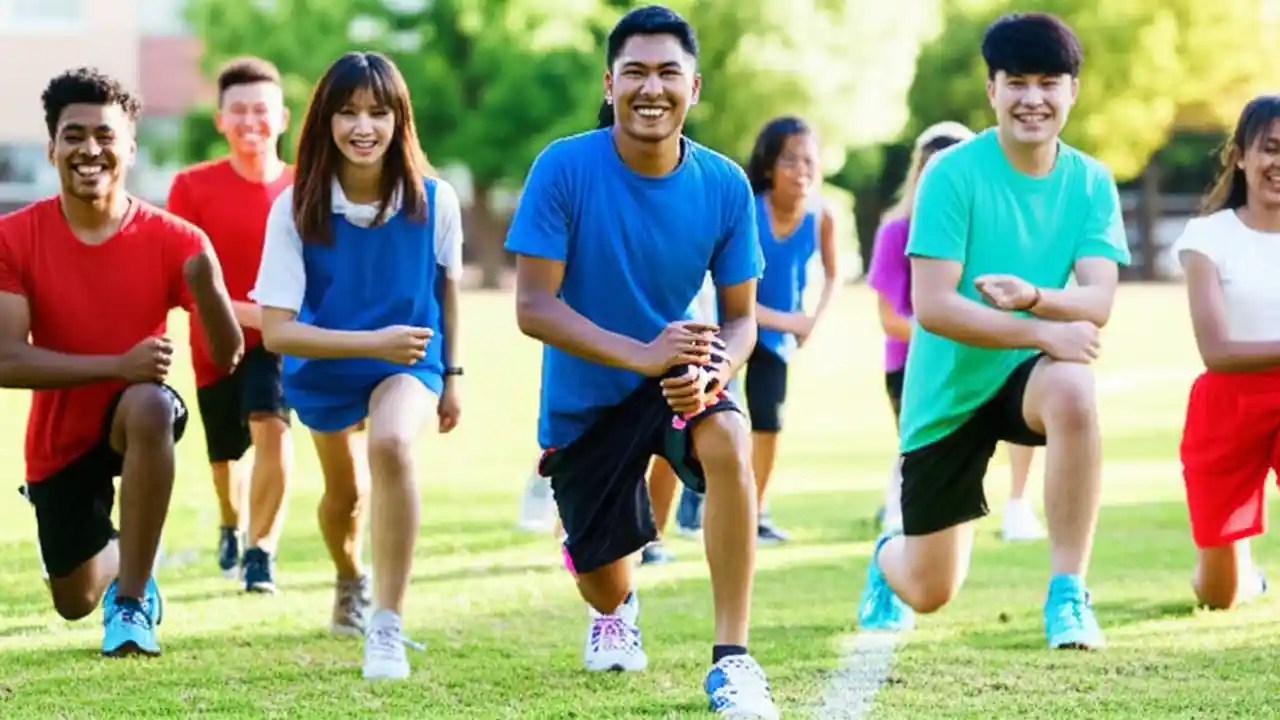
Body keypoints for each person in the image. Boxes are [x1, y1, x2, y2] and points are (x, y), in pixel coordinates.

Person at [506, 6, 778, 717]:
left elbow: (743, 316)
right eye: (634, 72)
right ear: (609, 83)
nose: (650, 88)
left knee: (728, 437)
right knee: (601, 576)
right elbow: (533, 305)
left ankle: (734, 662)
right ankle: (616, 604)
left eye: (667, 73)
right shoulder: (563, 168)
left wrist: (716, 372)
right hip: (586, 402)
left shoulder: (724, 185)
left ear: (695, 86)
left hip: (681, 382)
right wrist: (644, 355)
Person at [855, 12, 1130, 652]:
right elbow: (935, 307)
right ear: (992, 91)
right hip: (947, 389)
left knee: (1075, 391)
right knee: (930, 589)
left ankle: (1068, 592)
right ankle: (886, 557)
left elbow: (1098, 299)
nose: (1032, 98)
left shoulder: (1090, 181)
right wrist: (1041, 331)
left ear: (1071, 92)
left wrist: (1036, 298)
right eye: (1017, 82)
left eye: (1048, 82)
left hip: (1024, 379)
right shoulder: (952, 175)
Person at [0, 67, 243, 657]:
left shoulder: (177, 240)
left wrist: (208, 289)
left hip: (133, 414)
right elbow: (5, 360)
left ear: (130, 148)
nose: (90, 149)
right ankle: (127, 556)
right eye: (75, 134)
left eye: (106, 136)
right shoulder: (13, 237)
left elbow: (228, 352)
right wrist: (116, 363)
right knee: (74, 600)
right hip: (59, 437)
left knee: (152, 405)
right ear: (52, 146)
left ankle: (132, 601)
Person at [251, 51, 464, 681]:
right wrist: (374, 342)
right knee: (344, 497)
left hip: (408, 361)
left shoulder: (436, 199)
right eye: (348, 112)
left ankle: (388, 626)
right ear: (325, 121)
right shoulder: (294, 210)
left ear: (400, 120)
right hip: (329, 364)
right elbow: (277, 331)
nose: (363, 127)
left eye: (378, 112)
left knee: (394, 446)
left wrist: (453, 376)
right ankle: (351, 579)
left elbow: (448, 286)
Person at [869, 121, 1046, 542]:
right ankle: (900, 508)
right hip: (916, 362)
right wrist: (949, 329)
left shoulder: (997, 226)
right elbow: (891, 319)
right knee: (926, 444)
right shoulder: (896, 232)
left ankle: (1019, 505)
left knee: (1034, 393)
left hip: (985, 353)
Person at [166, 57, 295, 590]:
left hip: (280, 340)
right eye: (238, 110)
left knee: (274, 427)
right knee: (225, 457)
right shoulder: (191, 188)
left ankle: (261, 550)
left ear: (283, 118)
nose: (250, 122)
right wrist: (241, 314)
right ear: (220, 120)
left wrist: (273, 320)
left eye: (261, 110)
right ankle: (230, 519)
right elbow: (183, 279)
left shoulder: (302, 188)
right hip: (216, 344)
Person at [1174, 94, 1280, 611]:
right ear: (1240, 155)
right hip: (1228, 403)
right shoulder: (1207, 237)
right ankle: (1235, 567)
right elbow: (1216, 352)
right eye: (1271, 149)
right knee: (1219, 596)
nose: (1278, 165)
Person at [741, 116, 839, 544]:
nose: (801, 171)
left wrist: (813, 320)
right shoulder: (747, 211)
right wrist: (790, 321)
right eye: (789, 161)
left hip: (775, 343)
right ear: (767, 166)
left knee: (769, 424)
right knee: (703, 419)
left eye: (809, 162)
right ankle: (695, 498)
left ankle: (755, 513)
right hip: (730, 331)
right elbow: (729, 293)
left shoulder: (821, 218)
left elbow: (833, 275)